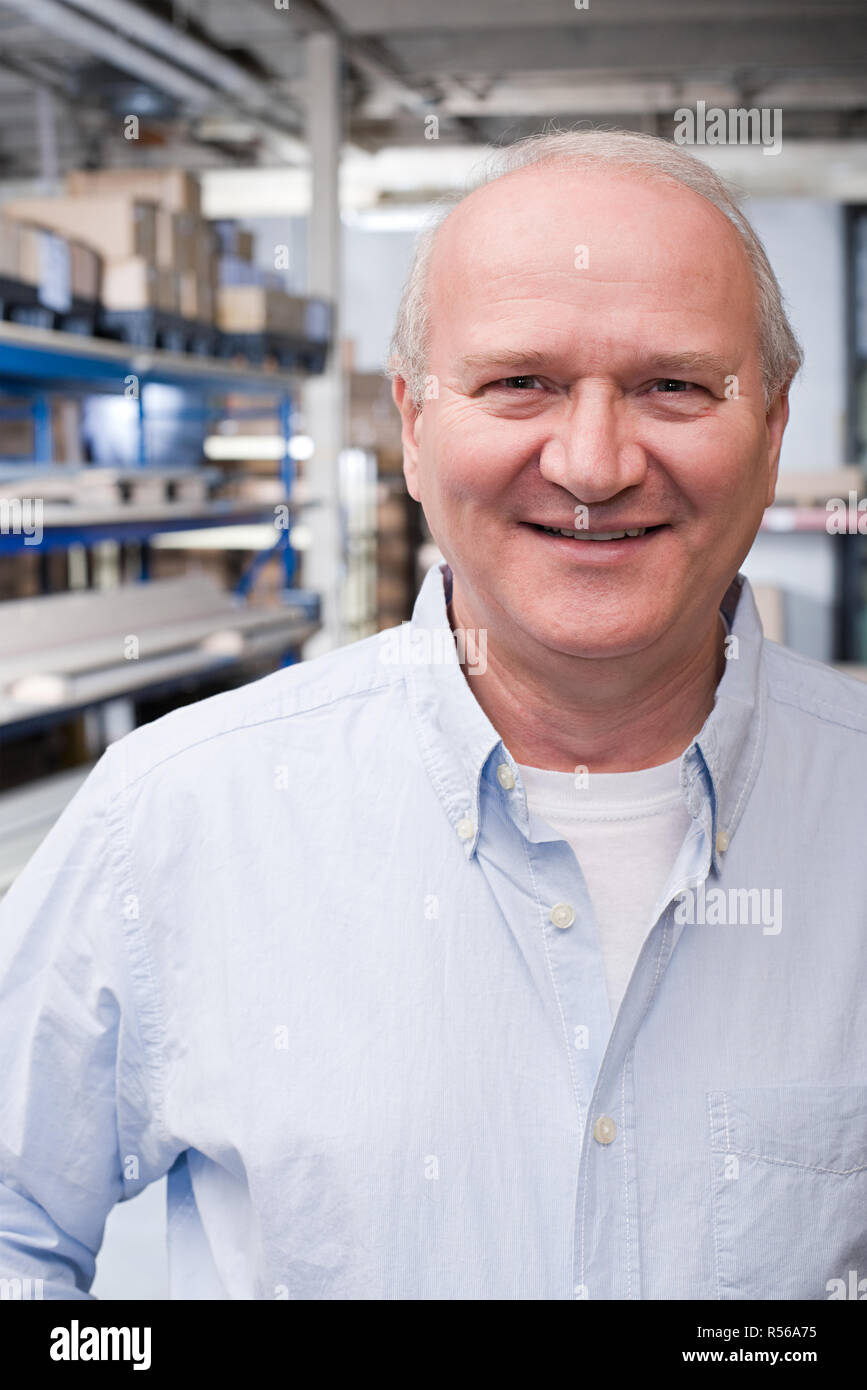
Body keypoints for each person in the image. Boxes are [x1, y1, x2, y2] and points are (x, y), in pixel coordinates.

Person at [1, 129, 865, 1302]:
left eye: (674, 384)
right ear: (413, 423)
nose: (596, 461)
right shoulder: (175, 819)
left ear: (771, 430)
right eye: (522, 383)